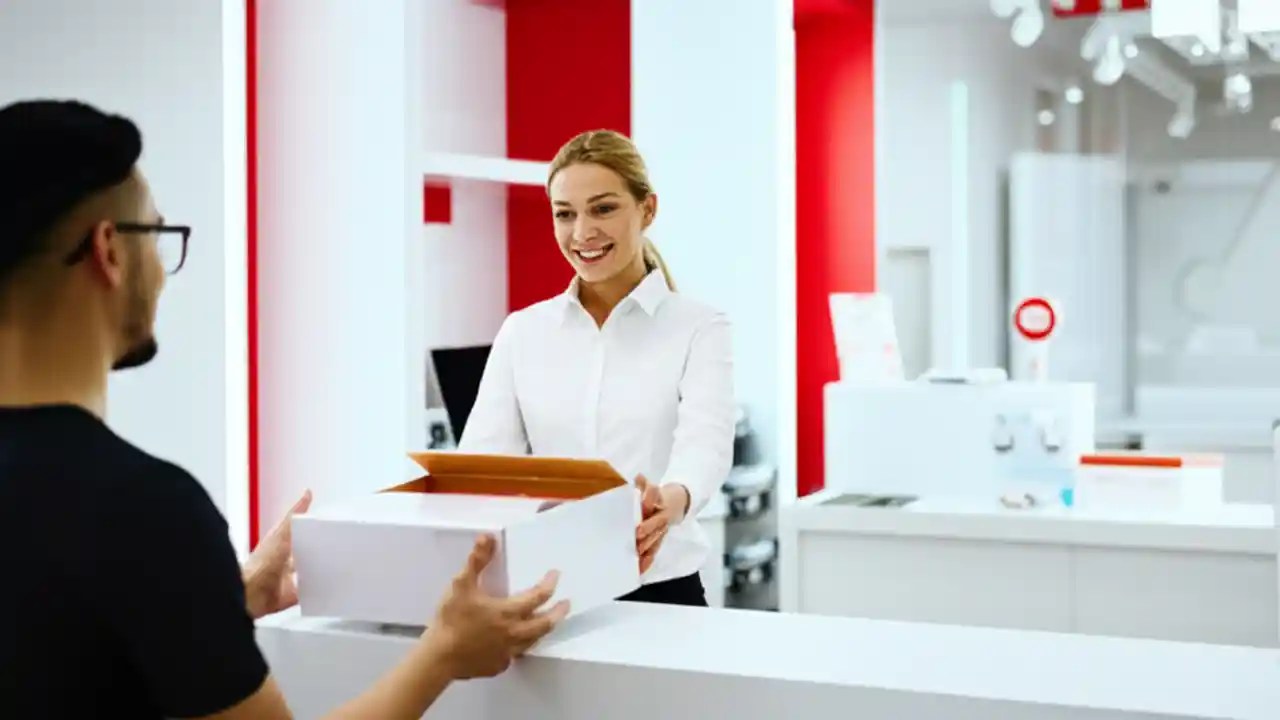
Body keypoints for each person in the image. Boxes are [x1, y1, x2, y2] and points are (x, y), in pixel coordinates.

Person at [0, 99, 569, 719]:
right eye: (157, 236)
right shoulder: (143, 511)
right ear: (108, 251)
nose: (162, 273)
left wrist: (219, 602)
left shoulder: (130, 526)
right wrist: (444, 654)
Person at [459, 129, 736, 607]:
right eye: (564, 214)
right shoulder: (523, 332)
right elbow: (482, 467)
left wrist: (673, 498)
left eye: (603, 208)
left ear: (647, 210)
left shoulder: (699, 327)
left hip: (661, 590)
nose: (582, 232)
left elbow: (705, 444)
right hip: (545, 591)